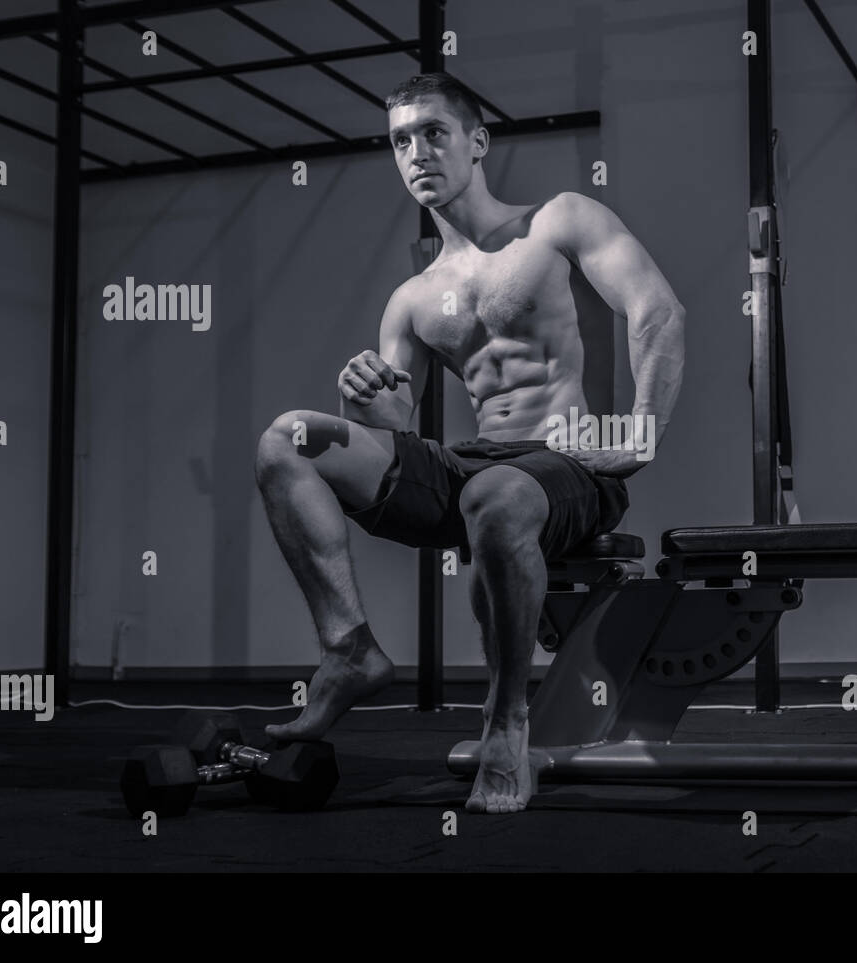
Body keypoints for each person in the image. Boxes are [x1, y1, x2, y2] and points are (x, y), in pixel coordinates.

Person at [253, 73, 685, 814]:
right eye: (399, 141)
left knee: (495, 494)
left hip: (567, 462)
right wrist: (368, 404)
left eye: (433, 133)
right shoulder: (413, 298)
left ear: (478, 142)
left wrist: (643, 426)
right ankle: (349, 648)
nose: (416, 152)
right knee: (286, 441)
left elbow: (656, 311)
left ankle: (508, 721)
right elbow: (400, 436)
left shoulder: (558, 222)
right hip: (471, 466)